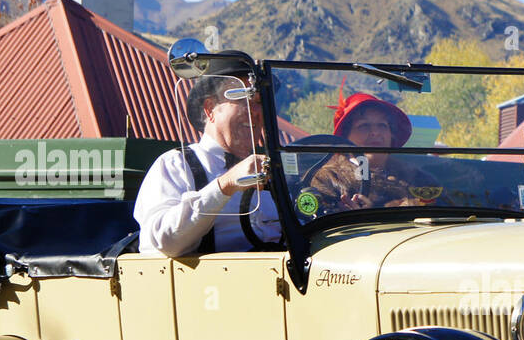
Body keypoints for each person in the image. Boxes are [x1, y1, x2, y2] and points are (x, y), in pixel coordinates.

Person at [134, 72, 282, 255]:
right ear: (210, 109)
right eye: (243, 98)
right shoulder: (176, 164)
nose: (255, 111)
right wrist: (225, 185)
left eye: (260, 102)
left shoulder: (274, 168)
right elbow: (163, 242)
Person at [302, 91, 442, 212]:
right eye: (364, 126)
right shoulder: (327, 180)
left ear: (391, 134)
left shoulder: (420, 179)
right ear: (345, 138)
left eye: (382, 125)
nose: (375, 132)